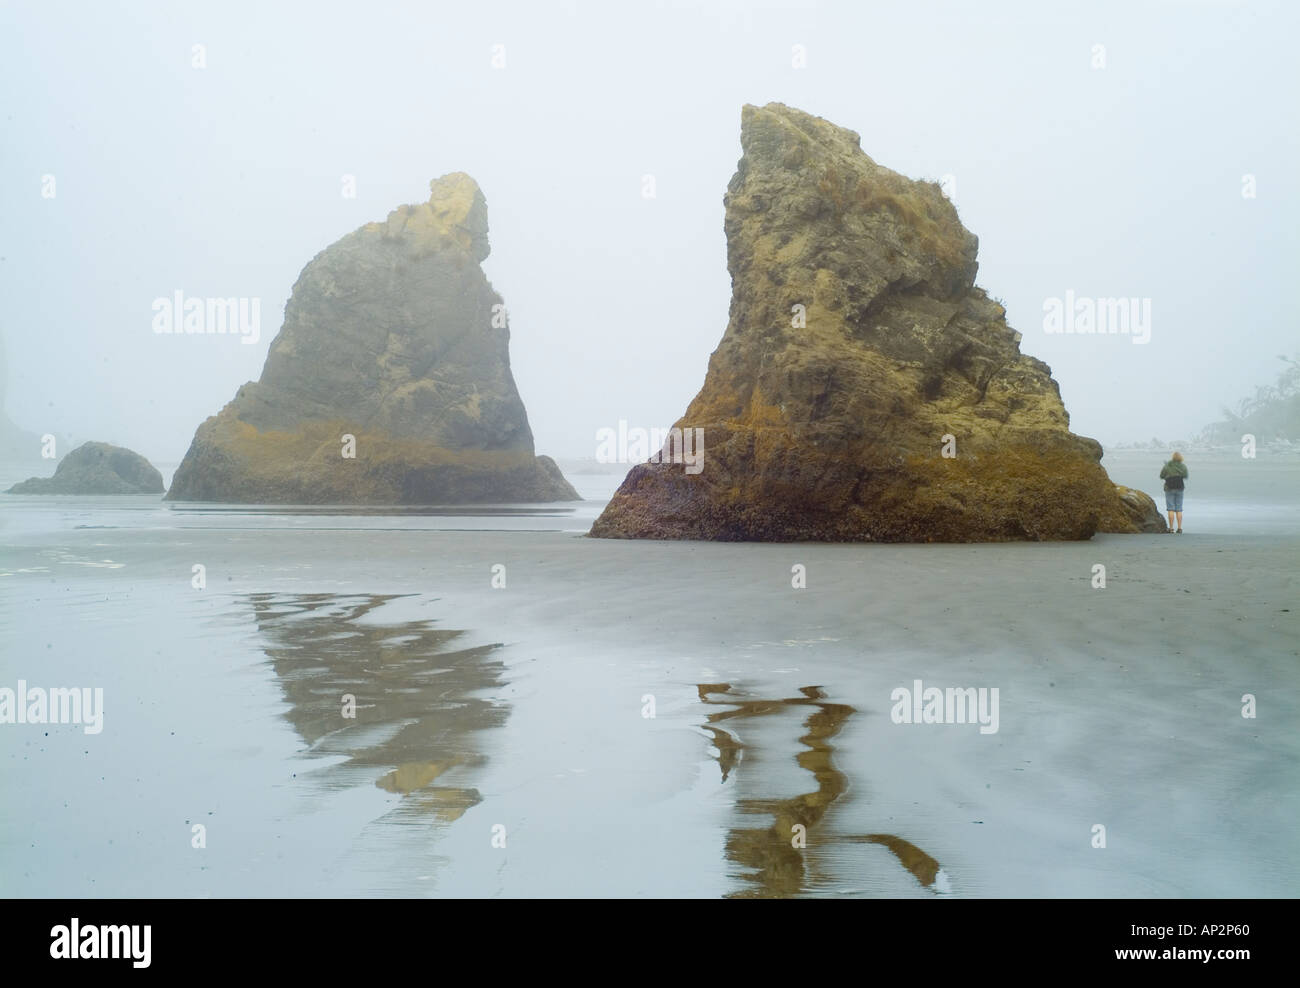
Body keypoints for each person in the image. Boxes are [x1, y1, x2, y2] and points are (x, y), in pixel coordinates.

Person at [1159, 451, 1188, 533]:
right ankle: (1179, 528)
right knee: (1179, 509)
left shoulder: (1167, 465)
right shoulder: (1182, 466)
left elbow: (1161, 476)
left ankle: (1171, 528)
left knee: (1170, 508)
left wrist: (1168, 476)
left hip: (1169, 488)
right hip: (1180, 488)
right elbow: (1185, 476)